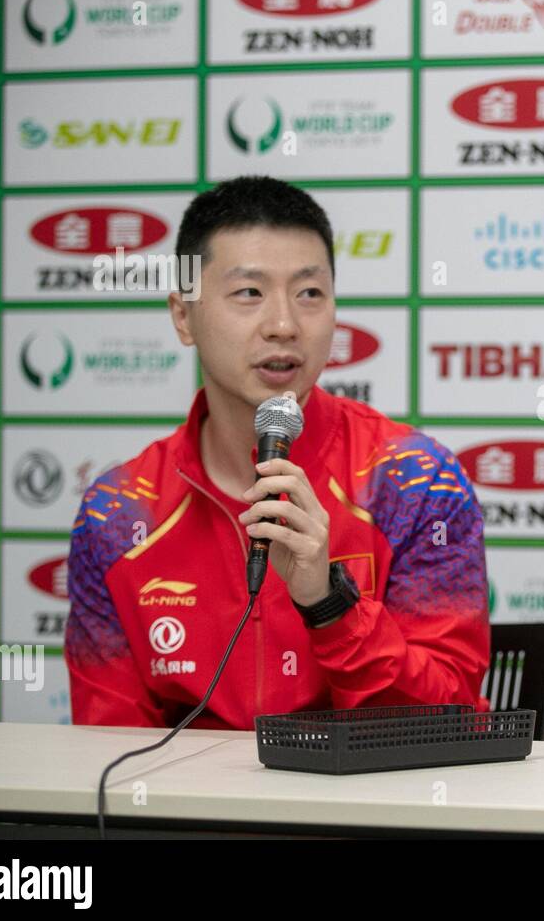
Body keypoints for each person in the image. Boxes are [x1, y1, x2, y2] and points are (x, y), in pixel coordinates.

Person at [65, 176, 490, 729]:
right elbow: (107, 745)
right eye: (249, 292)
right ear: (183, 315)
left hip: (367, 784)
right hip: (186, 790)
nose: (285, 325)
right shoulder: (119, 511)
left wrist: (330, 604)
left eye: (309, 293)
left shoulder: (414, 480)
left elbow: (449, 717)